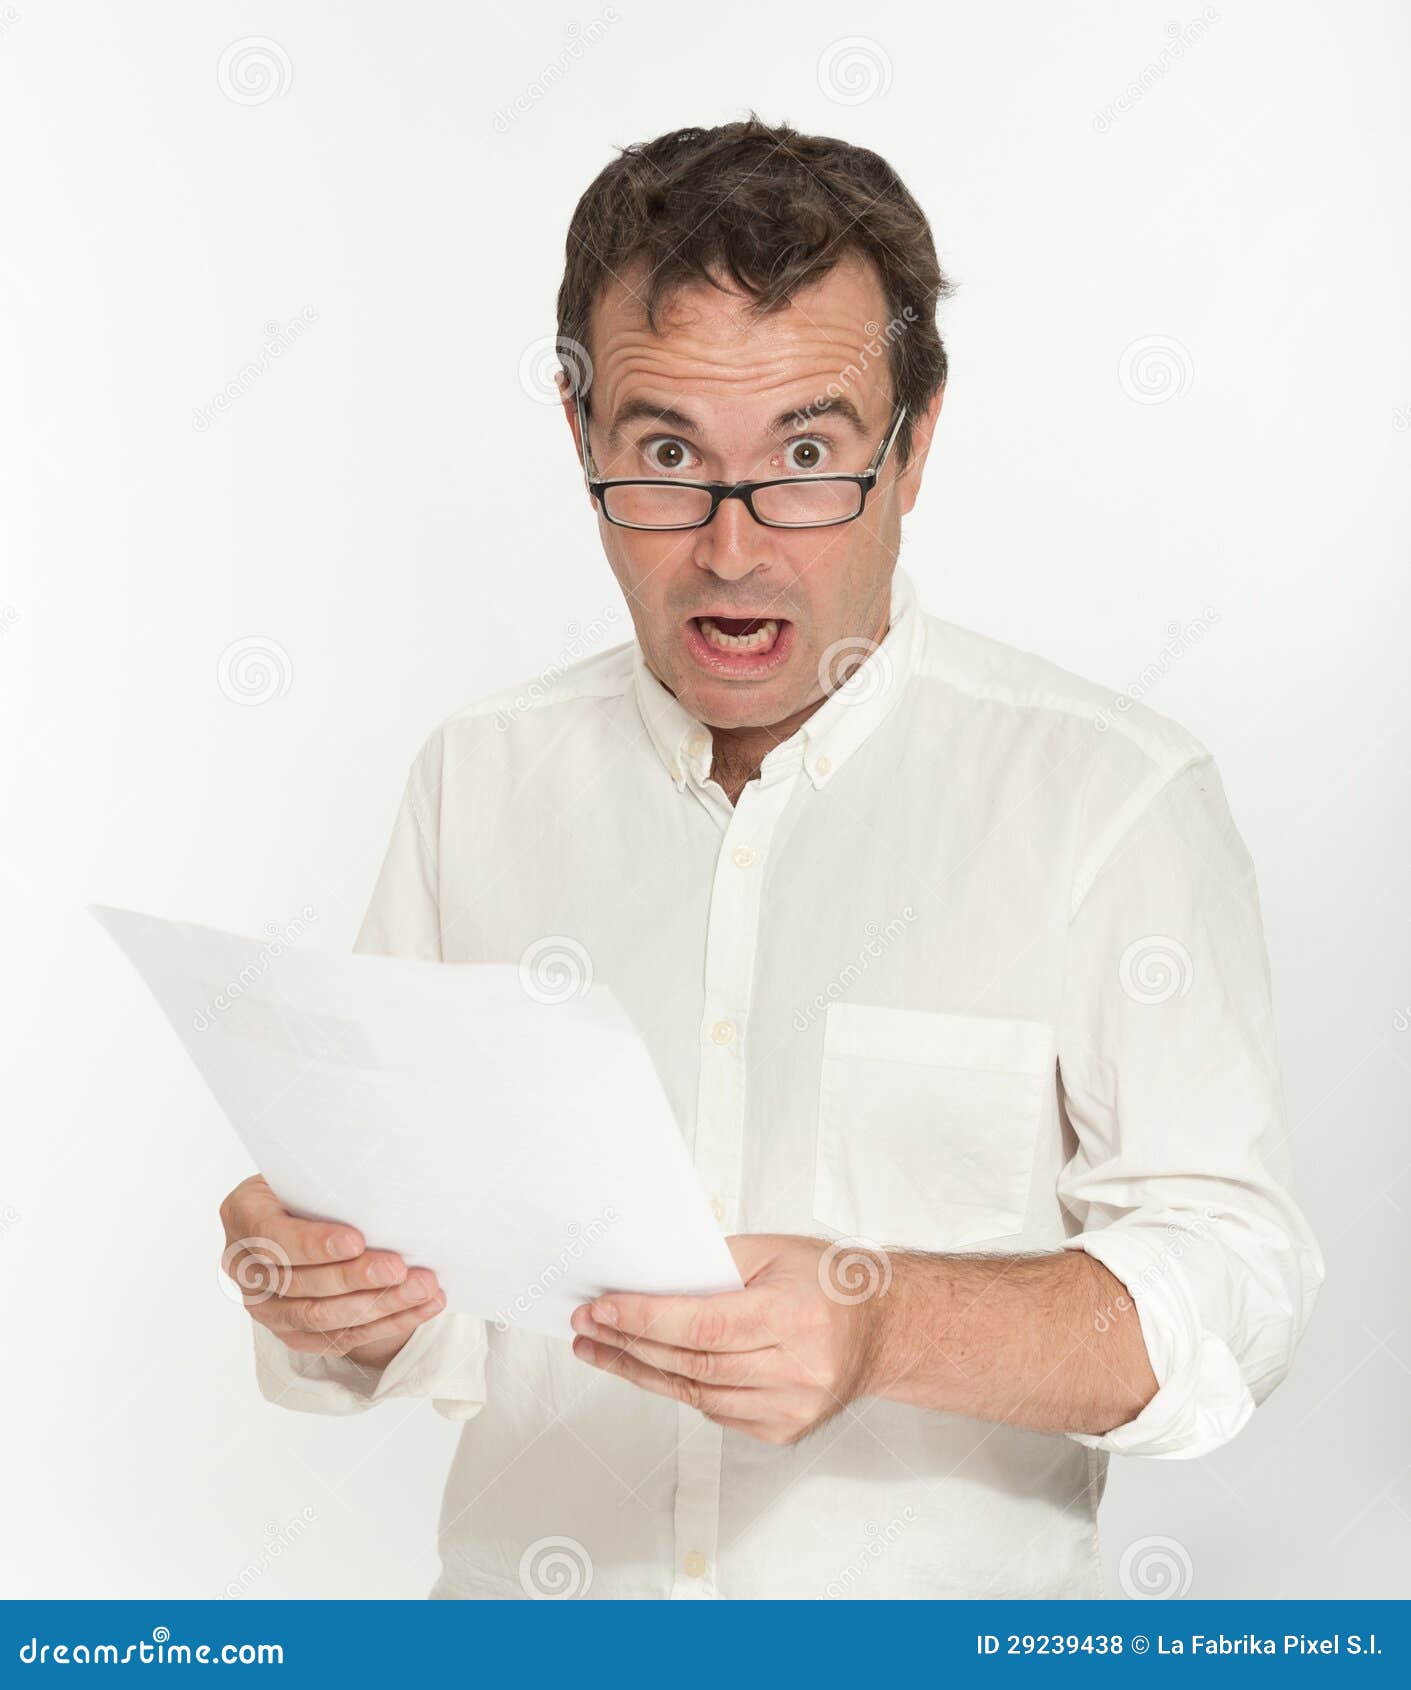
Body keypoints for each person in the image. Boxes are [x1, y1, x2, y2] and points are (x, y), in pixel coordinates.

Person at [219, 117, 1323, 1600]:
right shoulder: (476, 779)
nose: (734, 548)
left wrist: (890, 1322)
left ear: (913, 447)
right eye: (668, 453)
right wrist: (329, 1291)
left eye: (806, 455)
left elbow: (1239, 1283)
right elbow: (429, 1291)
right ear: (581, 435)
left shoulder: (1107, 796)